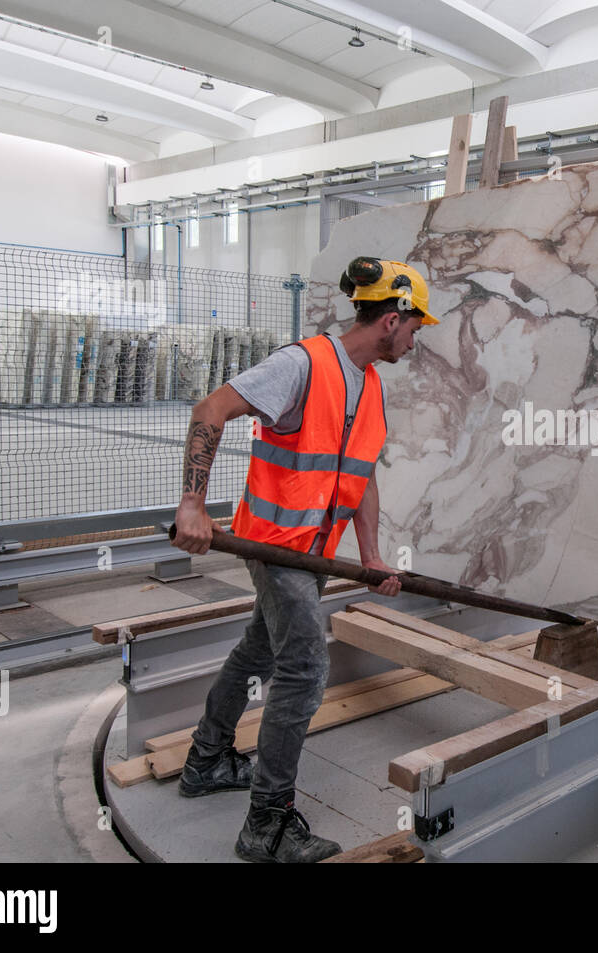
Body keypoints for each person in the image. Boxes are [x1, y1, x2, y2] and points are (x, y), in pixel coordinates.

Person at [170, 257, 439, 863]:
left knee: (259, 651)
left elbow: (361, 474)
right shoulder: (303, 364)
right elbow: (209, 410)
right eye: (416, 327)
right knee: (305, 670)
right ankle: (266, 825)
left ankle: (207, 760)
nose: (417, 339)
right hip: (272, 545)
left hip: (315, 555)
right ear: (392, 319)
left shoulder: (370, 385)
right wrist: (192, 504)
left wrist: (369, 557)